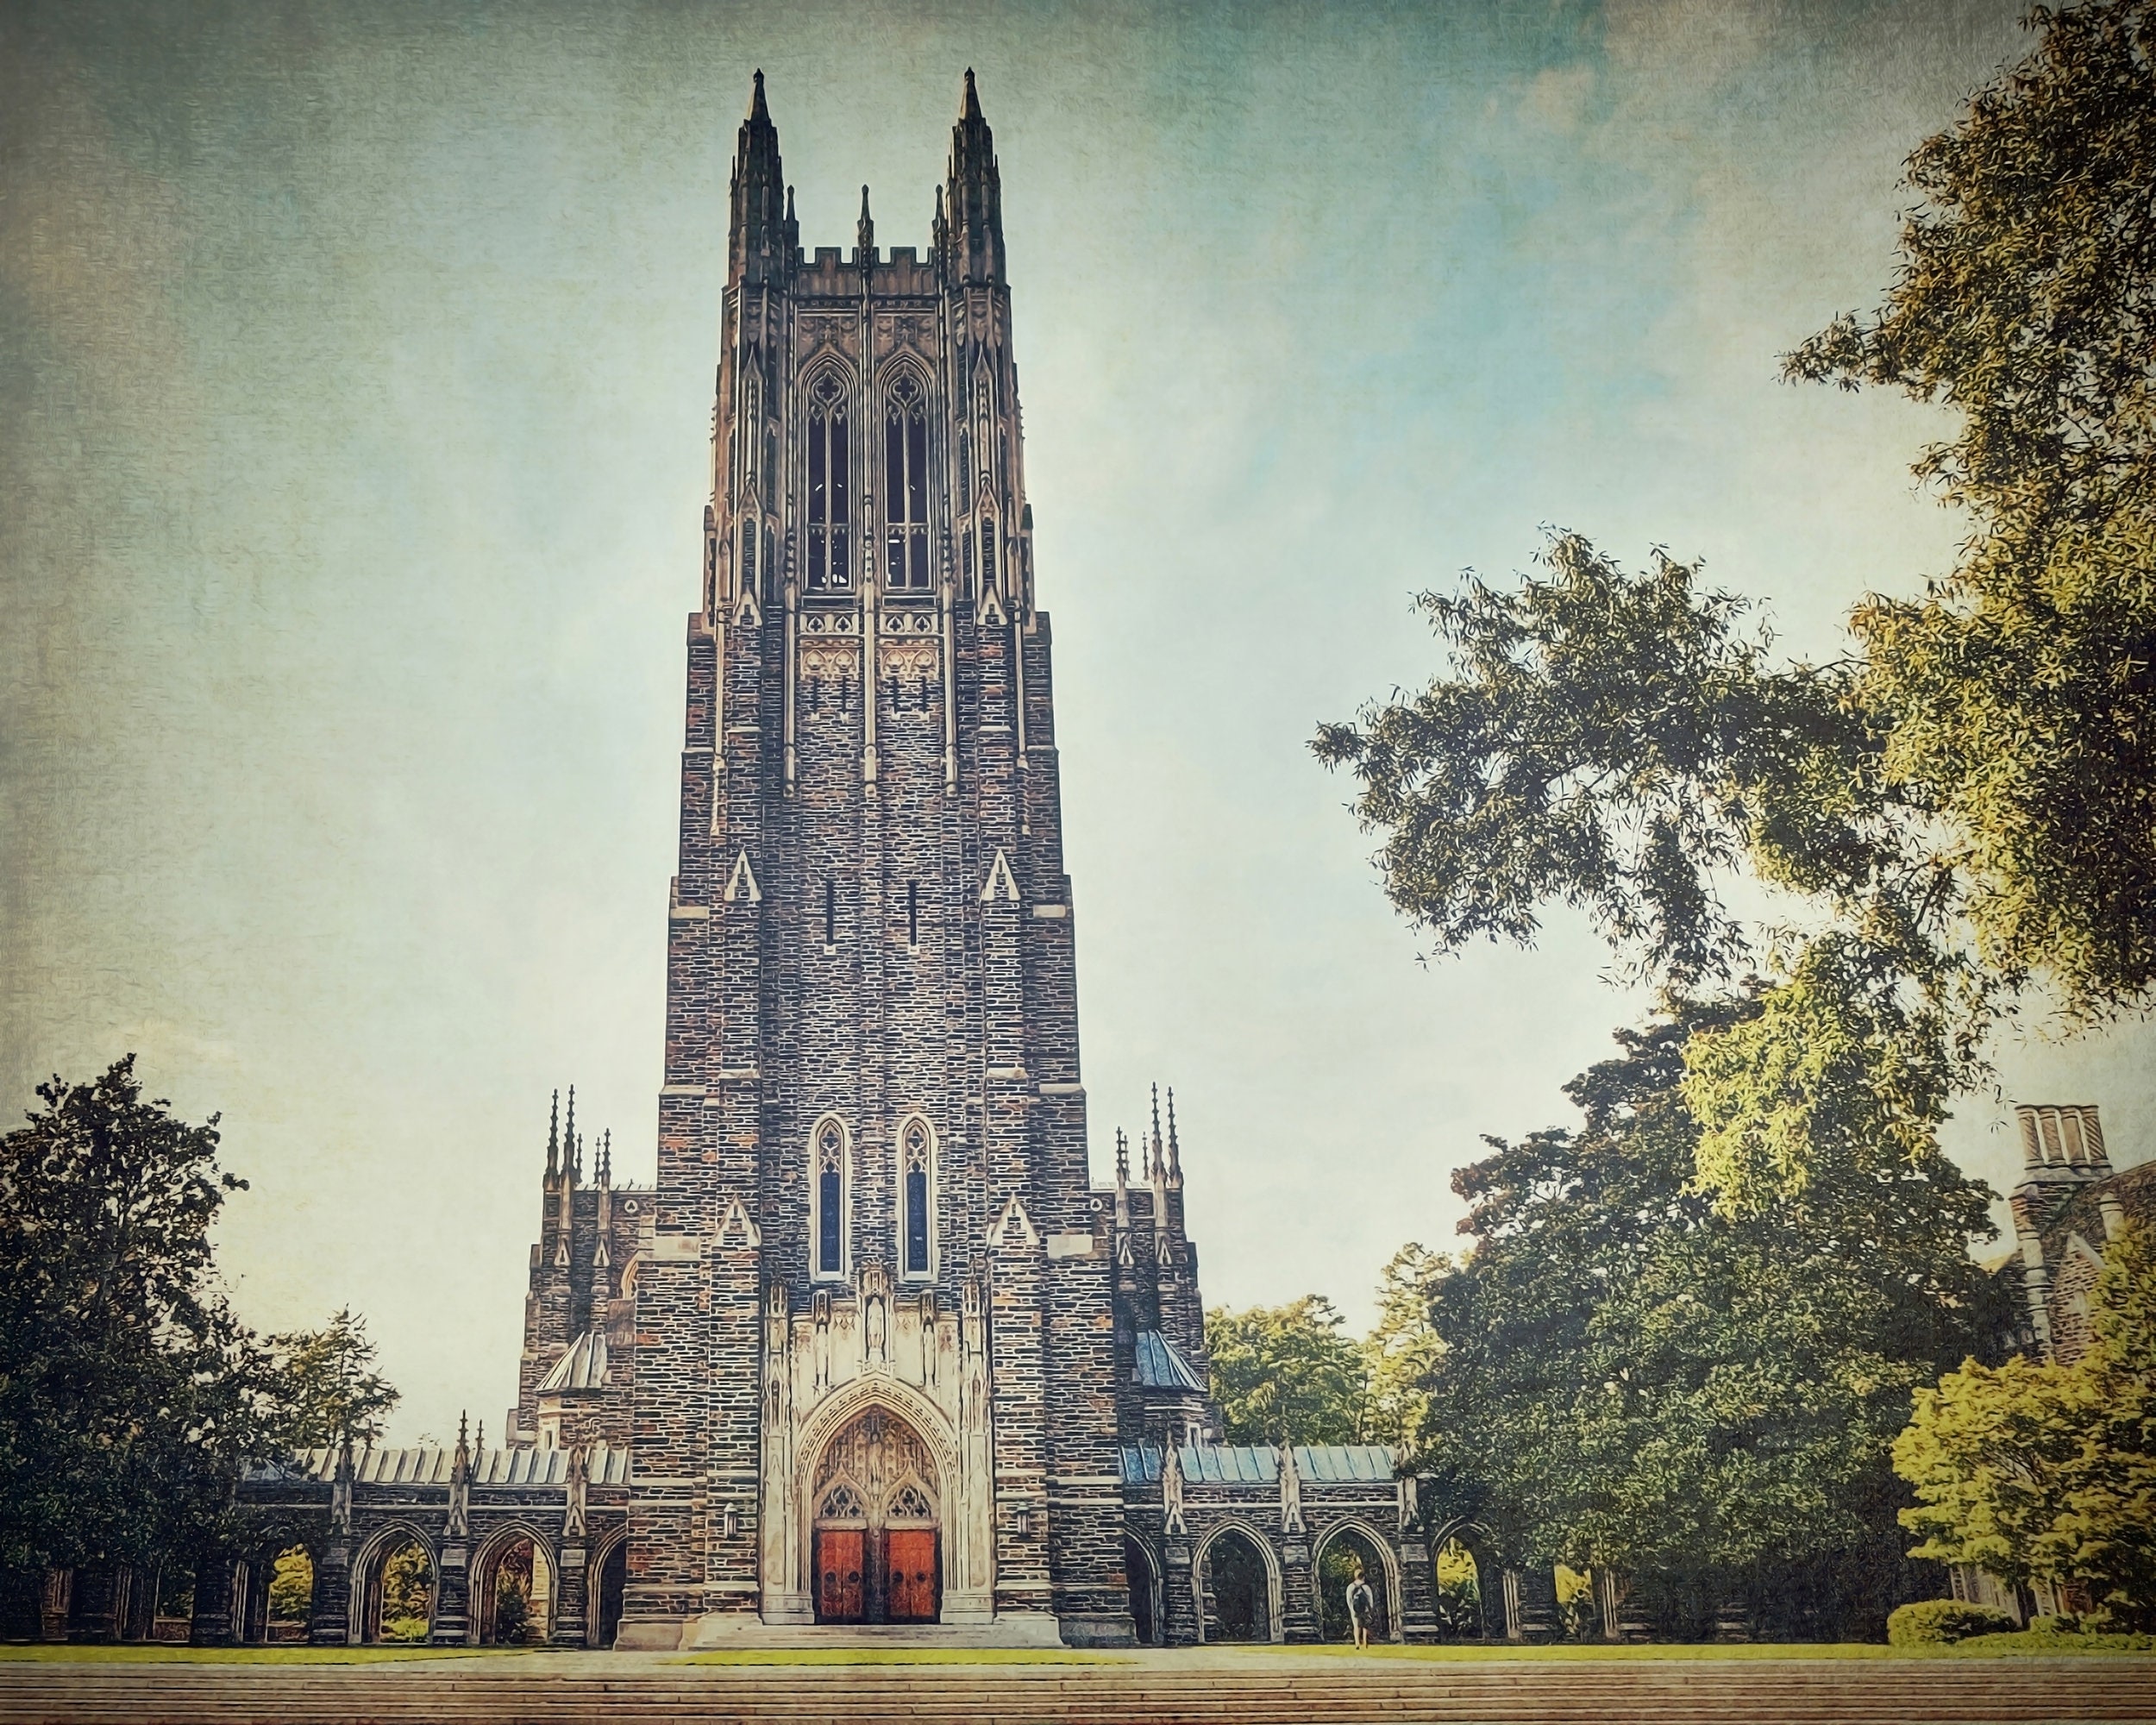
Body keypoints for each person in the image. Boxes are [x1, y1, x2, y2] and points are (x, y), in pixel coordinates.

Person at [1345, 1560, 1376, 1650]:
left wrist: (1351, 1608)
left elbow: (1349, 1599)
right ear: (1363, 1576)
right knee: (1365, 1626)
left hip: (1355, 1609)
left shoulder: (1350, 1587)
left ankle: (1357, 1643)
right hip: (1365, 1609)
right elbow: (1370, 1599)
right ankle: (1365, 1642)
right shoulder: (1366, 1587)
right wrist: (1370, 1609)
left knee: (1356, 1626)